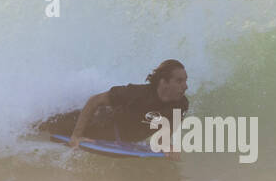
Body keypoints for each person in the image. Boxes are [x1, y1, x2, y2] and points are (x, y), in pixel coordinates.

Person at [38, 60, 189, 160]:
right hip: (96, 123)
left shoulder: (181, 105)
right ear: (164, 82)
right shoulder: (135, 94)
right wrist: (76, 136)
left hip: (117, 137)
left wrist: (167, 147)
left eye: (185, 81)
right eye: (179, 81)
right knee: (44, 127)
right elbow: (94, 101)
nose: (185, 86)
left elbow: (164, 134)